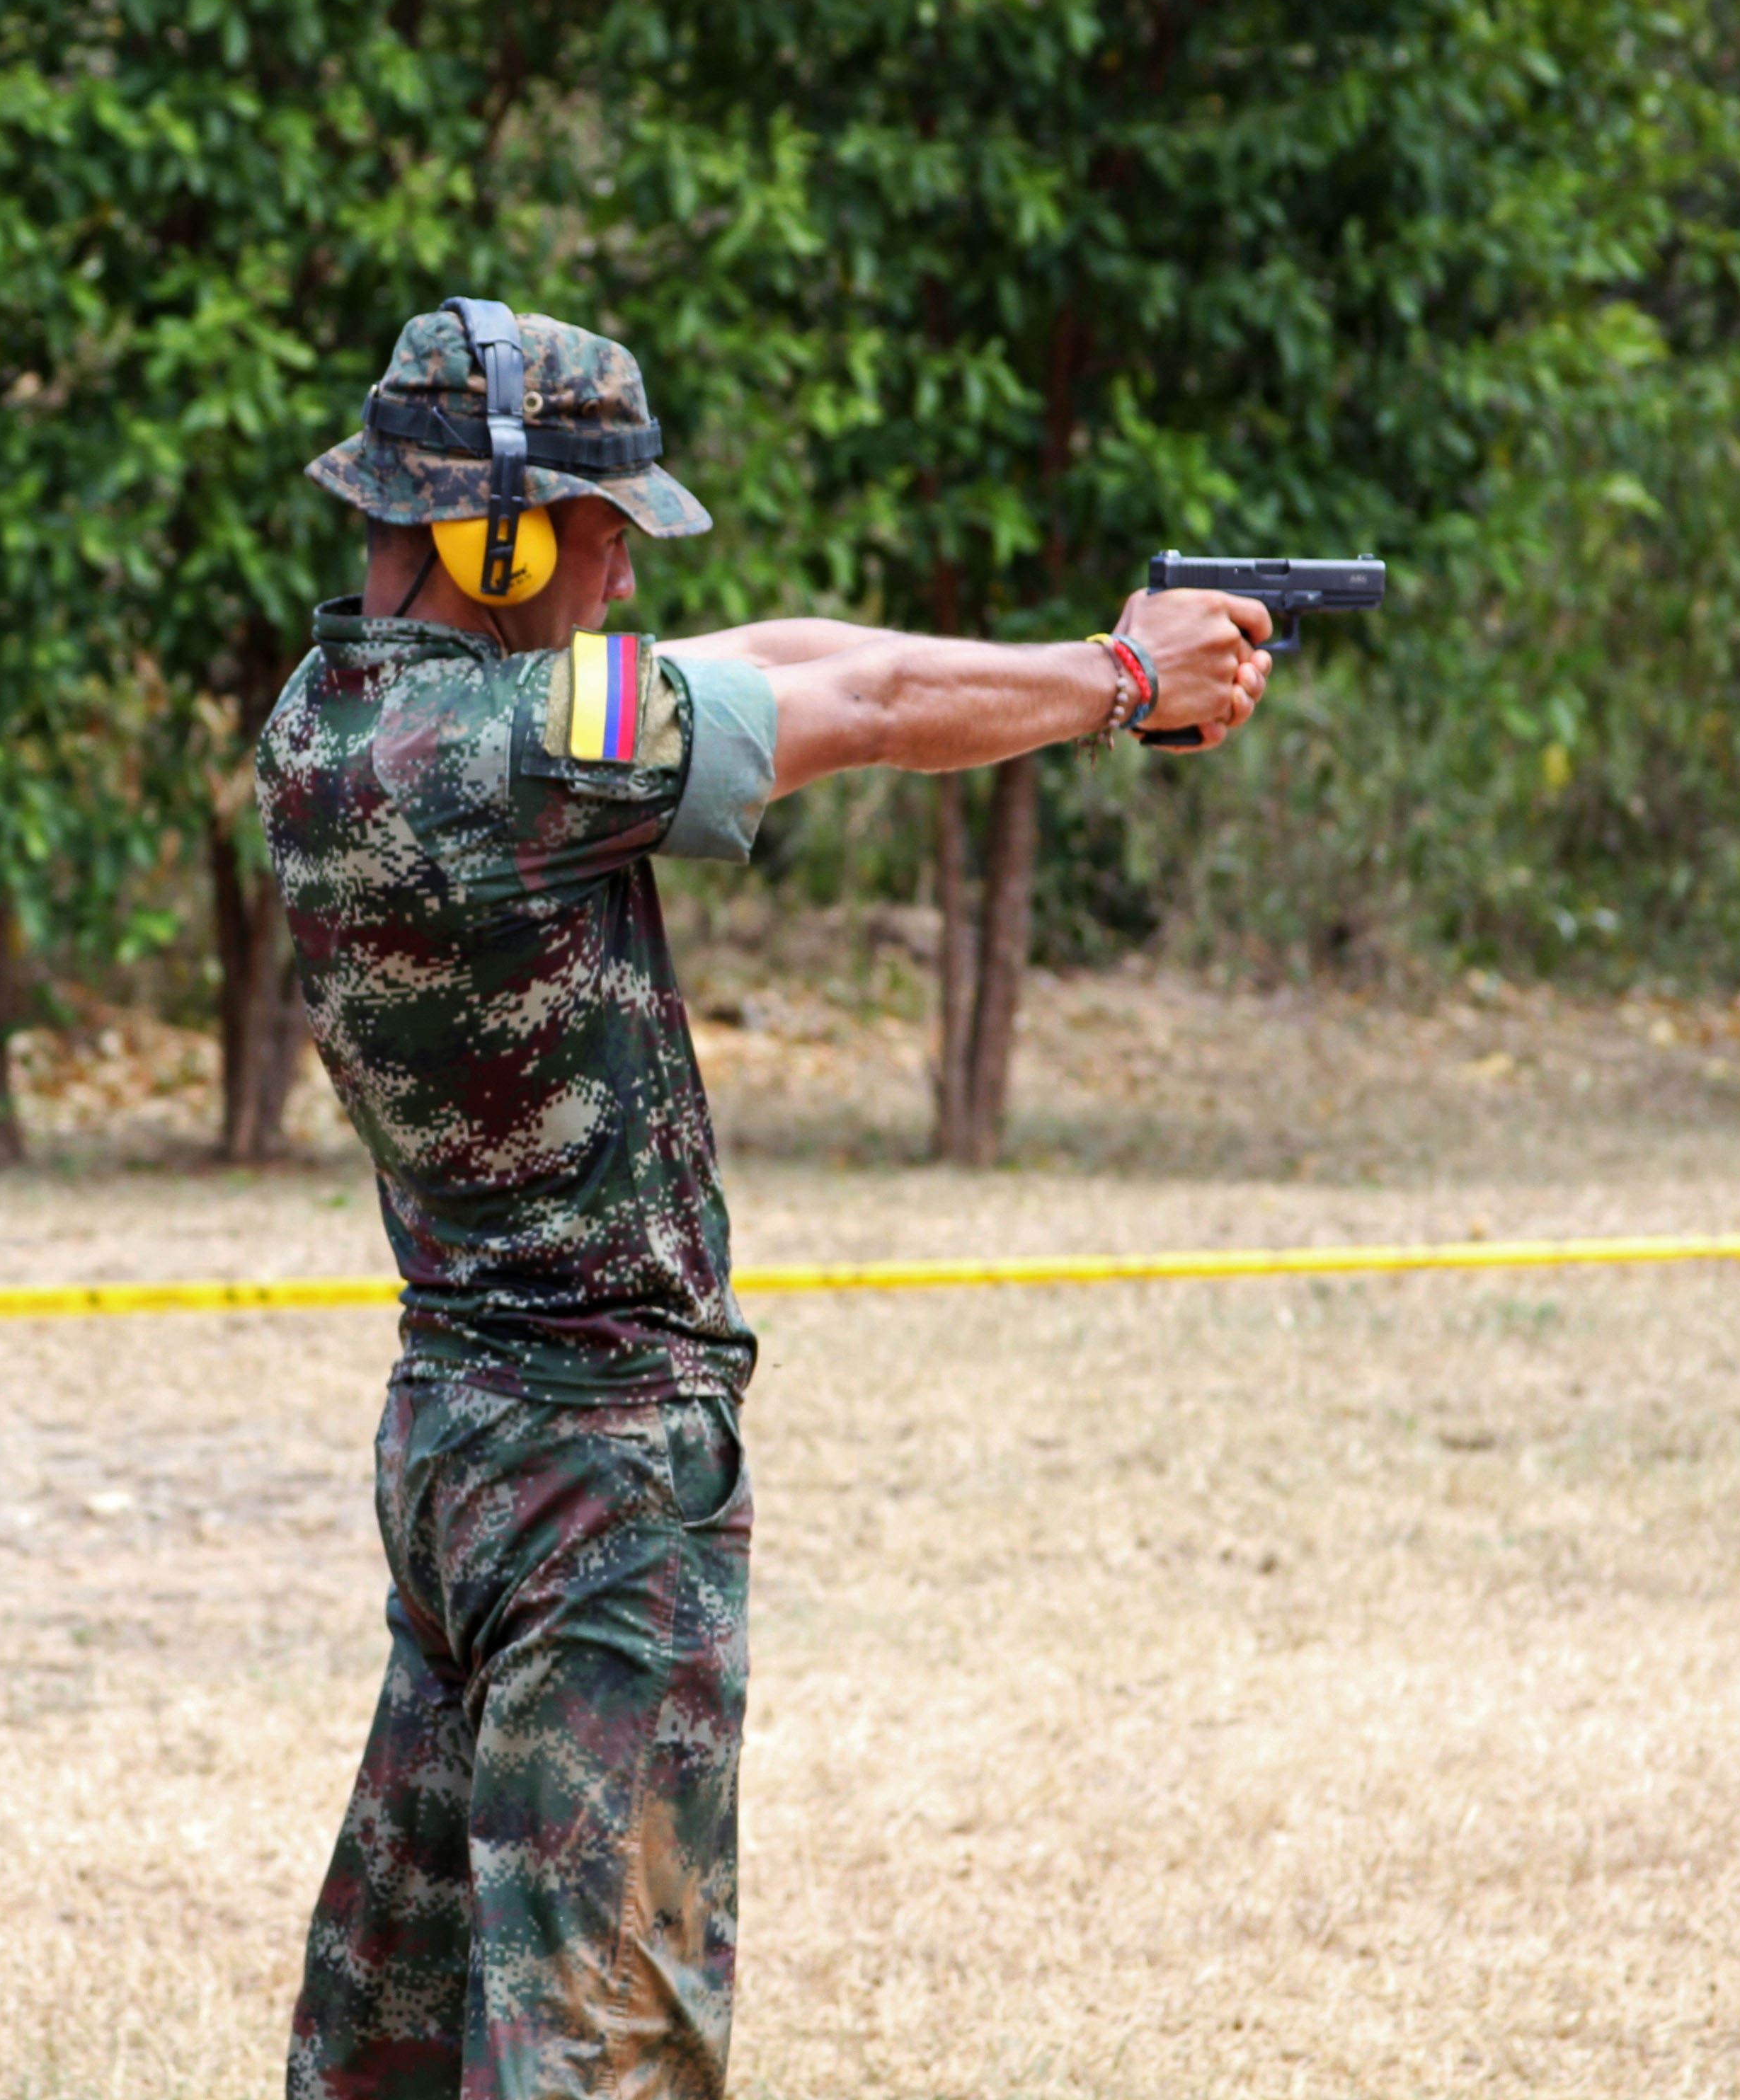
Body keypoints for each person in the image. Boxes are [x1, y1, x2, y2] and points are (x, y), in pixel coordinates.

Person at [265, 302, 1275, 2100]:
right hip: (595, 1462)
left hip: (455, 1431)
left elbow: (789, 654)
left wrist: (1076, 649)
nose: (604, 569)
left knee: (396, 2021)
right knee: (603, 2037)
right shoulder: (519, 754)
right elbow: (865, 710)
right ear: (486, 531)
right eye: (588, 529)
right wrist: (1120, 685)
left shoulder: (337, 725)